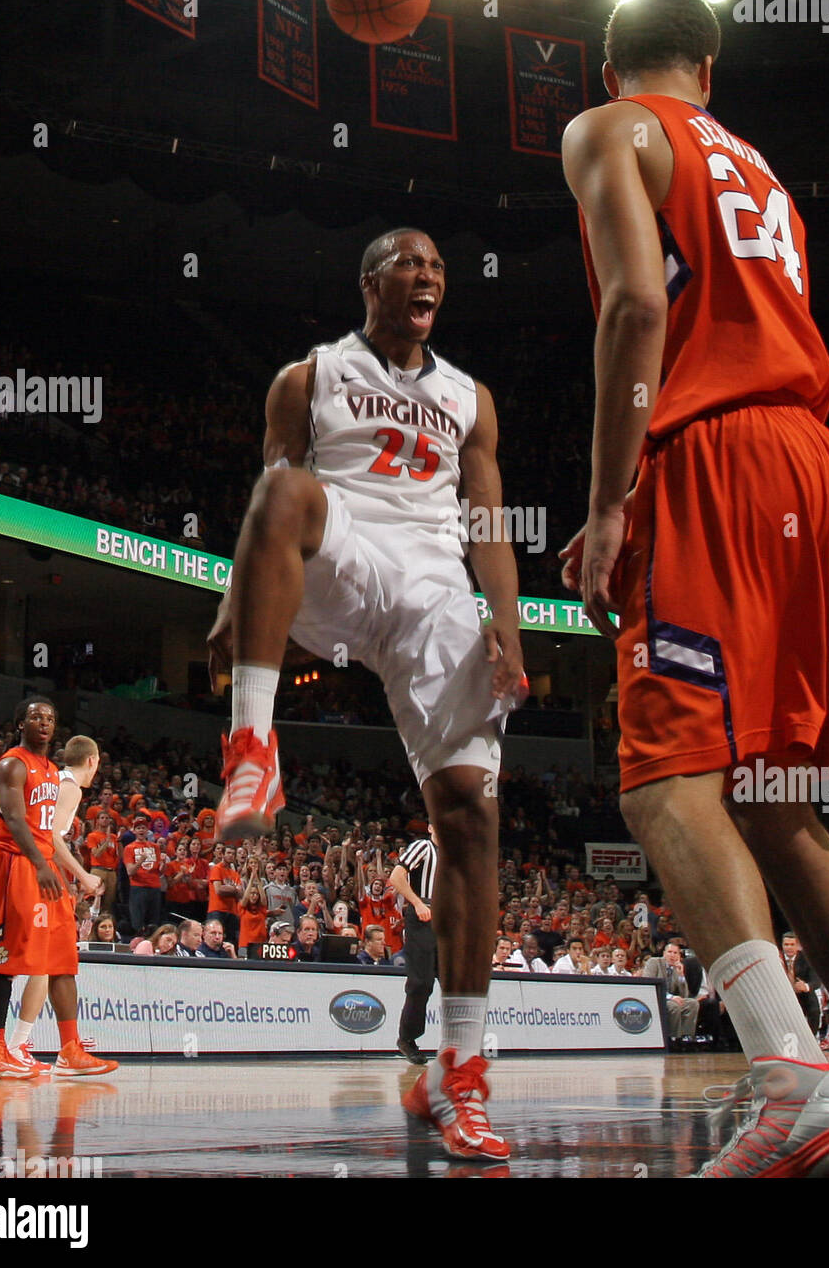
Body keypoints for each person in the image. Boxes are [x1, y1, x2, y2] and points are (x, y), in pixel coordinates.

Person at [559, 0, 829, 1177]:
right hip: (817, 464)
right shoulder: (768, 177)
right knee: (773, 794)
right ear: (711, 66)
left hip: (715, 459)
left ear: (612, 69)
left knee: (662, 782)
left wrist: (609, 496)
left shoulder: (610, 131)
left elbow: (640, 305)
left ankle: (790, 1081)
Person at [206, 229, 525, 1161]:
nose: (427, 274)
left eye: (438, 266)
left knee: (469, 815)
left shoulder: (471, 398)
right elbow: (271, 491)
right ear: (369, 281)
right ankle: (252, 757)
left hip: (434, 582)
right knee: (290, 490)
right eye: (409, 262)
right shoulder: (308, 377)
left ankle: (457, 1073)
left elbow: (489, 518)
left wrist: (505, 621)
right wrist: (236, 593)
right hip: (342, 551)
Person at [0, 700, 116, 1078]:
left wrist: (55, 868)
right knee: (3, 962)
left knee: (62, 959)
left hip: (44, 867)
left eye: (51, 718)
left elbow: (47, 832)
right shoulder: (12, 764)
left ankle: (69, 1050)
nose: (44, 723)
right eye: (36, 716)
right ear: (20, 722)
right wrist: (40, 864)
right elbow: (13, 817)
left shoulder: (52, 771)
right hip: (16, 866)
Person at [390, 828, 438, 1065]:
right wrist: (417, 902)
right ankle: (407, 1039)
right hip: (423, 917)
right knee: (421, 982)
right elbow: (396, 876)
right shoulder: (423, 847)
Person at [641, 942, 699, 1047]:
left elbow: (684, 994)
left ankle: (686, 1037)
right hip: (655, 998)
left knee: (693, 1003)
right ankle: (673, 1038)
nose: (672, 955)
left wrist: (681, 976)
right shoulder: (654, 962)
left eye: (675, 953)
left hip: (671, 999)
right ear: (664, 953)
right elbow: (648, 985)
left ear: (679, 956)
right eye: (669, 952)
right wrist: (671, 997)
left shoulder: (677, 967)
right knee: (674, 1006)